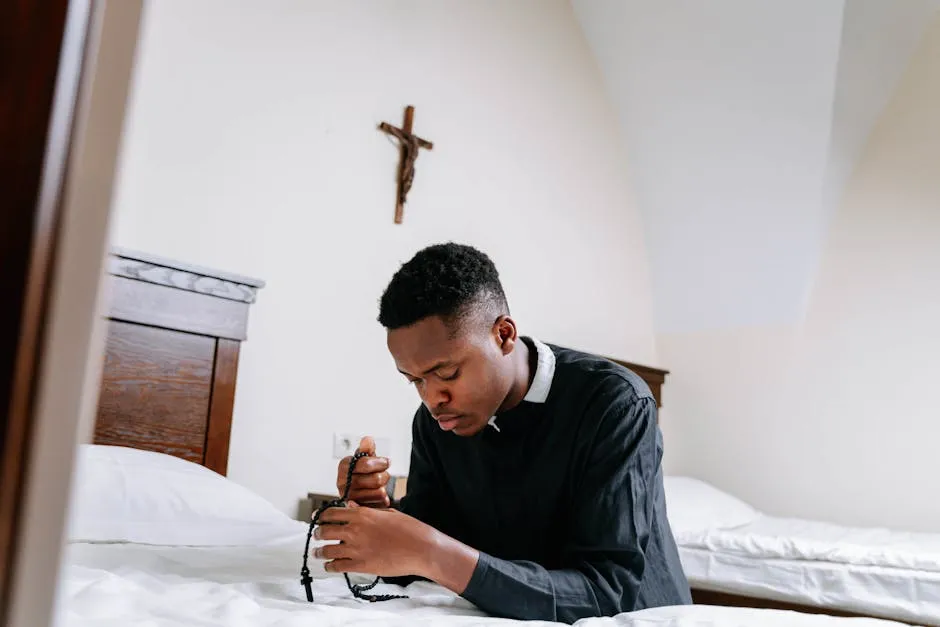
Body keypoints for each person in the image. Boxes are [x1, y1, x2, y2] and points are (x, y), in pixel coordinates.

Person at [314, 242, 692, 624]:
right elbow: (423, 553)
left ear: (504, 334)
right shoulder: (434, 423)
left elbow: (605, 593)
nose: (432, 398)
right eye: (414, 380)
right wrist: (379, 516)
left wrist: (432, 552)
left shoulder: (615, 404)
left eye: (446, 373)